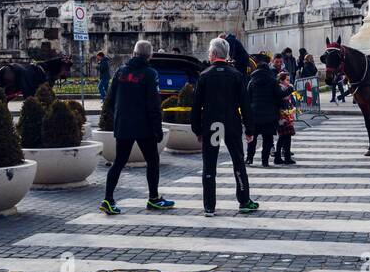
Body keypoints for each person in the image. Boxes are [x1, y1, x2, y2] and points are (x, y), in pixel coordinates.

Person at [100, 40, 174, 216]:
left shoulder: (120, 72)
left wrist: (119, 117)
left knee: (119, 162)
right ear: (150, 56)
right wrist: (157, 129)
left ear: (133, 53)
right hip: (144, 126)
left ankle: (108, 199)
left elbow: (109, 100)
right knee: (153, 161)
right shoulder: (150, 74)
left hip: (123, 124)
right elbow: (154, 105)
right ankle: (154, 198)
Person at [192, 37, 258, 215]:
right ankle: (244, 200)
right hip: (231, 123)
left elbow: (196, 106)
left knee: (210, 164)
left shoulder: (205, 76)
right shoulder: (236, 75)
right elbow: (245, 105)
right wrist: (249, 129)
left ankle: (209, 206)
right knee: (238, 161)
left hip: (212, 123)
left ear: (213, 54)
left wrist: (197, 129)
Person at [243, 53, 281, 167]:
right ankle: (265, 161)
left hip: (254, 116)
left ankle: (250, 158)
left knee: (252, 139)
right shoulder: (273, 81)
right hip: (270, 116)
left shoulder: (252, 81)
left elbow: (247, 99)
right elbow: (278, 96)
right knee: (268, 139)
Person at [275, 71, 297, 165]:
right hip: (282, 115)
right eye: (287, 80)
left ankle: (284, 156)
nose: (289, 81)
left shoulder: (286, 88)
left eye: (289, 79)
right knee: (283, 137)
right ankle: (281, 157)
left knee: (286, 136)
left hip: (287, 114)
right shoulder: (280, 88)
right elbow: (281, 98)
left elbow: (291, 101)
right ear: (281, 80)